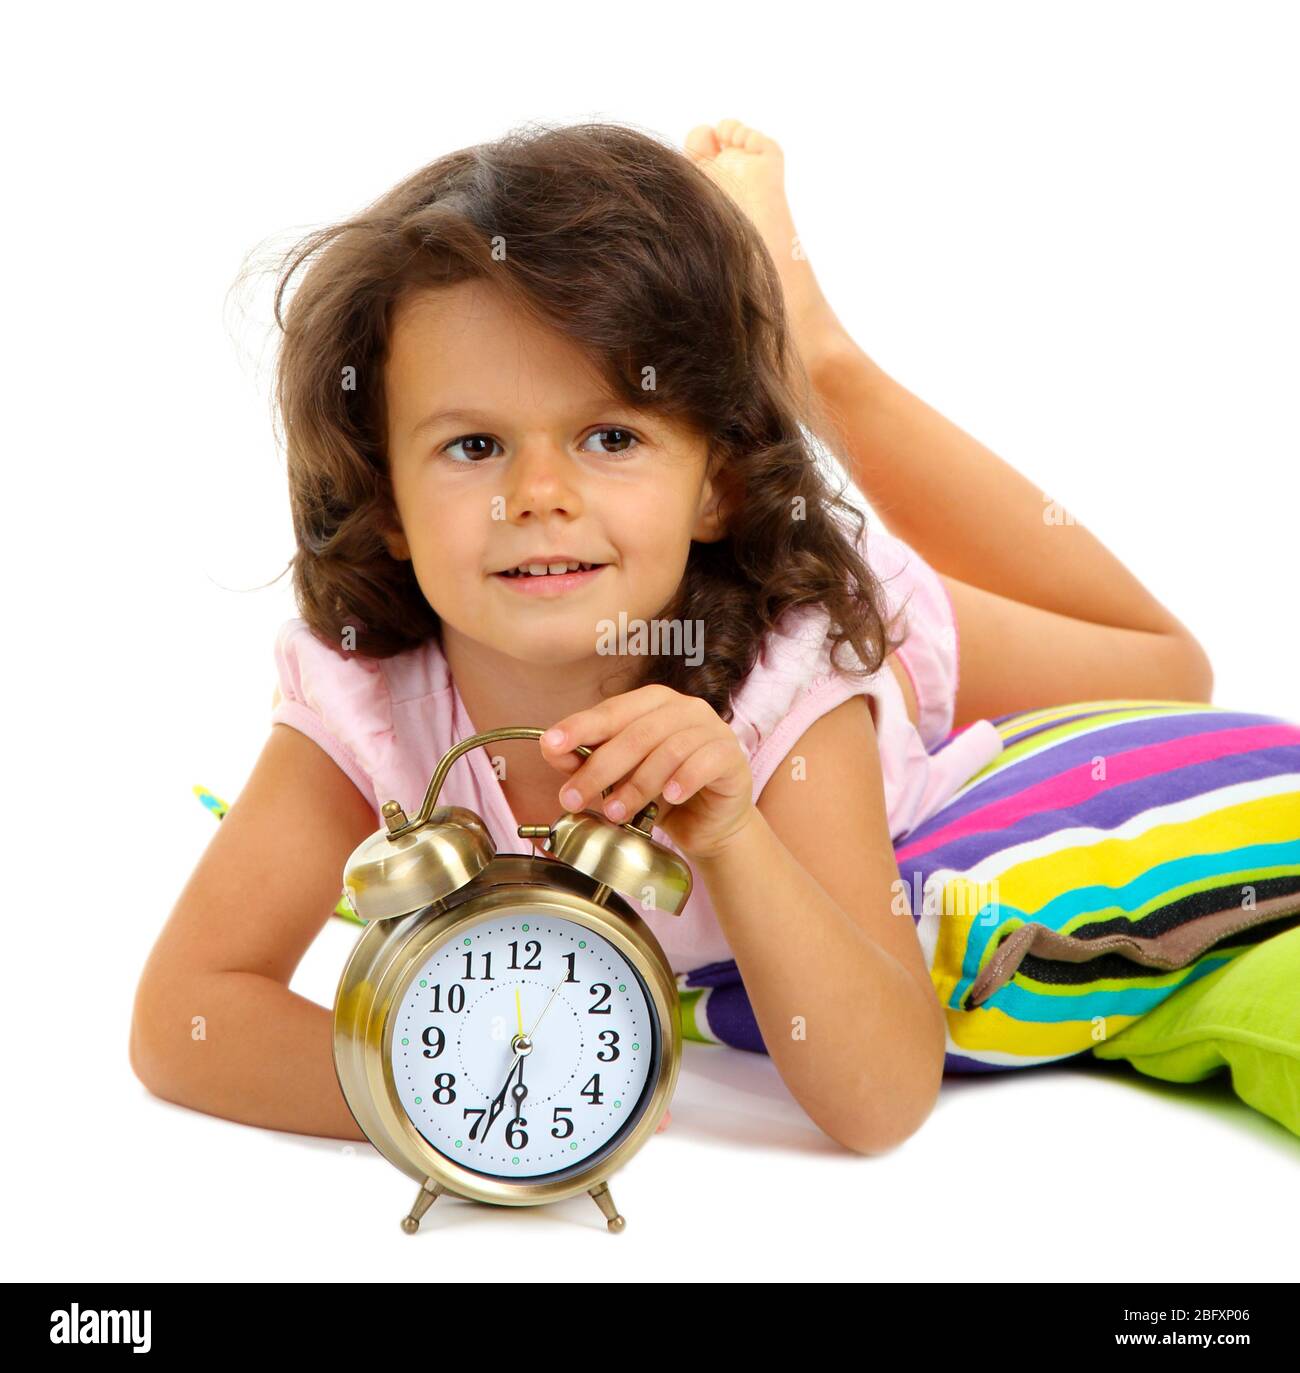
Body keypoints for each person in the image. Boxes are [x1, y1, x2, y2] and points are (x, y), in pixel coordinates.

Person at [129, 118, 1212, 1156]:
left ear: (715, 482)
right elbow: (184, 1014)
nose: (537, 495)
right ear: (388, 505)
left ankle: (814, 353)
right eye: (471, 445)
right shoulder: (368, 693)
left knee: (1171, 673)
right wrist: (457, 1106)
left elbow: (882, 1094)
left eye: (610, 435)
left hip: (820, 594)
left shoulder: (788, 677)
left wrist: (735, 835)